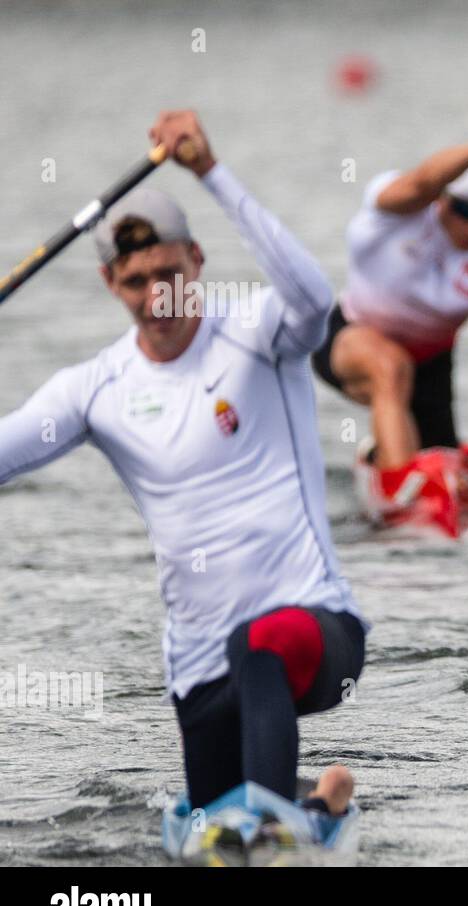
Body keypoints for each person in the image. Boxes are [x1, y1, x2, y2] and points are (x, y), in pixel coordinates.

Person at [0, 111, 365, 815]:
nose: (156, 296)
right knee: (216, 808)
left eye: (169, 273)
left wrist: (211, 174)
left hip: (313, 630)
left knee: (257, 645)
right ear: (112, 284)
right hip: (199, 671)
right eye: (137, 281)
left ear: (197, 261)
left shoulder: (259, 333)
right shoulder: (95, 390)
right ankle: (317, 802)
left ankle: (272, 827)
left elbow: (318, 300)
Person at [312, 111, 468, 496]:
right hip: (348, 337)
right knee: (390, 367)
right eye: (466, 210)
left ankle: (392, 462)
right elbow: (422, 182)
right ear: (443, 200)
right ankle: (402, 495)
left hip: (432, 366)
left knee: (444, 465)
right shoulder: (393, 211)